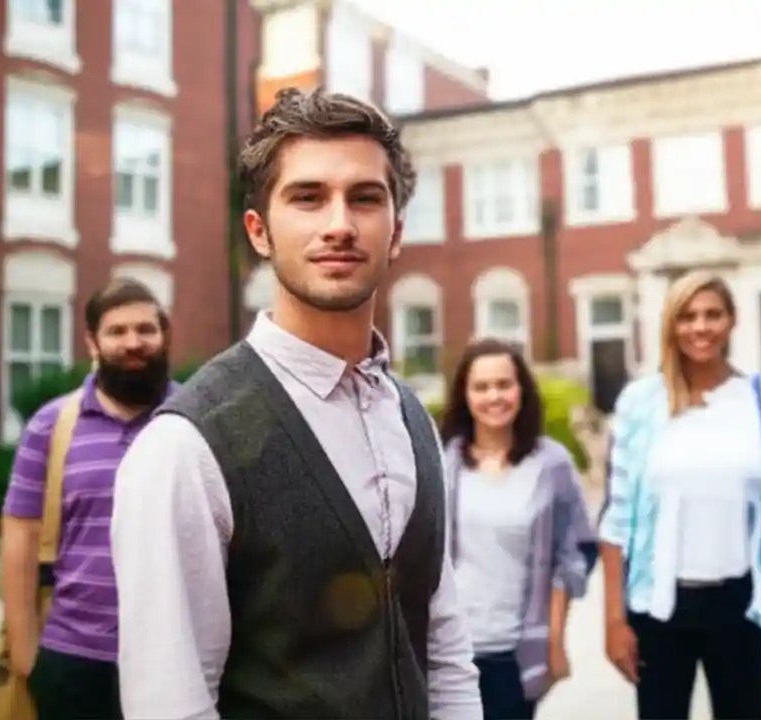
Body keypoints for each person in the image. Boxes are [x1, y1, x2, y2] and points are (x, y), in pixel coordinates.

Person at [111, 87, 482, 720]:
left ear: (395, 232)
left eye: (366, 198)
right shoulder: (188, 446)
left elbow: (442, 641)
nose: (339, 223)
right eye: (307, 197)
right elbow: (170, 700)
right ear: (259, 231)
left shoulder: (411, 414)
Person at [597, 271, 761, 720]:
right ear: (671, 325)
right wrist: (614, 621)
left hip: (742, 605)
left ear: (732, 321)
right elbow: (617, 520)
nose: (700, 327)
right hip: (658, 608)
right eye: (688, 316)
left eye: (713, 314)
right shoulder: (640, 402)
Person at [0, 279, 176, 720]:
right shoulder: (51, 425)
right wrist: (25, 655)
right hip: (72, 657)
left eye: (145, 330)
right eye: (117, 332)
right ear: (92, 341)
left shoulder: (199, 418)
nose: (133, 343)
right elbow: (19, 536)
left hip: (176, 659)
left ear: (164, 335)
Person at [438, 338, 596, 720]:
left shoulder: (551, 465)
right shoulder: (441, 462)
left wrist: (555, 641)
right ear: (465, 396)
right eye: (481, 387)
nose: (494, 396)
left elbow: (576, 553)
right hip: (449, 654)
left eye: (504, 385)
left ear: (521, 390)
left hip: (516, 654)